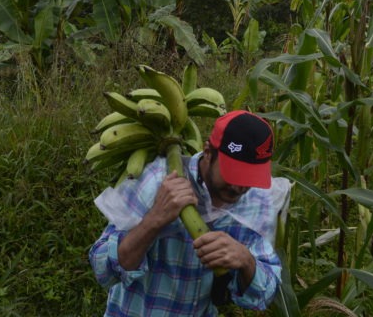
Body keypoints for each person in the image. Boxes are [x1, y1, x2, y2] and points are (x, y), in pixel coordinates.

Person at [89, 110, 290, 316]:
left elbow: (266, 293)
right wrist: (154, 220)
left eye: (249, 177)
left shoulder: (257, 202)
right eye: (233, 174)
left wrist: (246, 260)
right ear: (208, 152)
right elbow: (103, 269)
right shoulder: (156, 181)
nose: (239, 187)